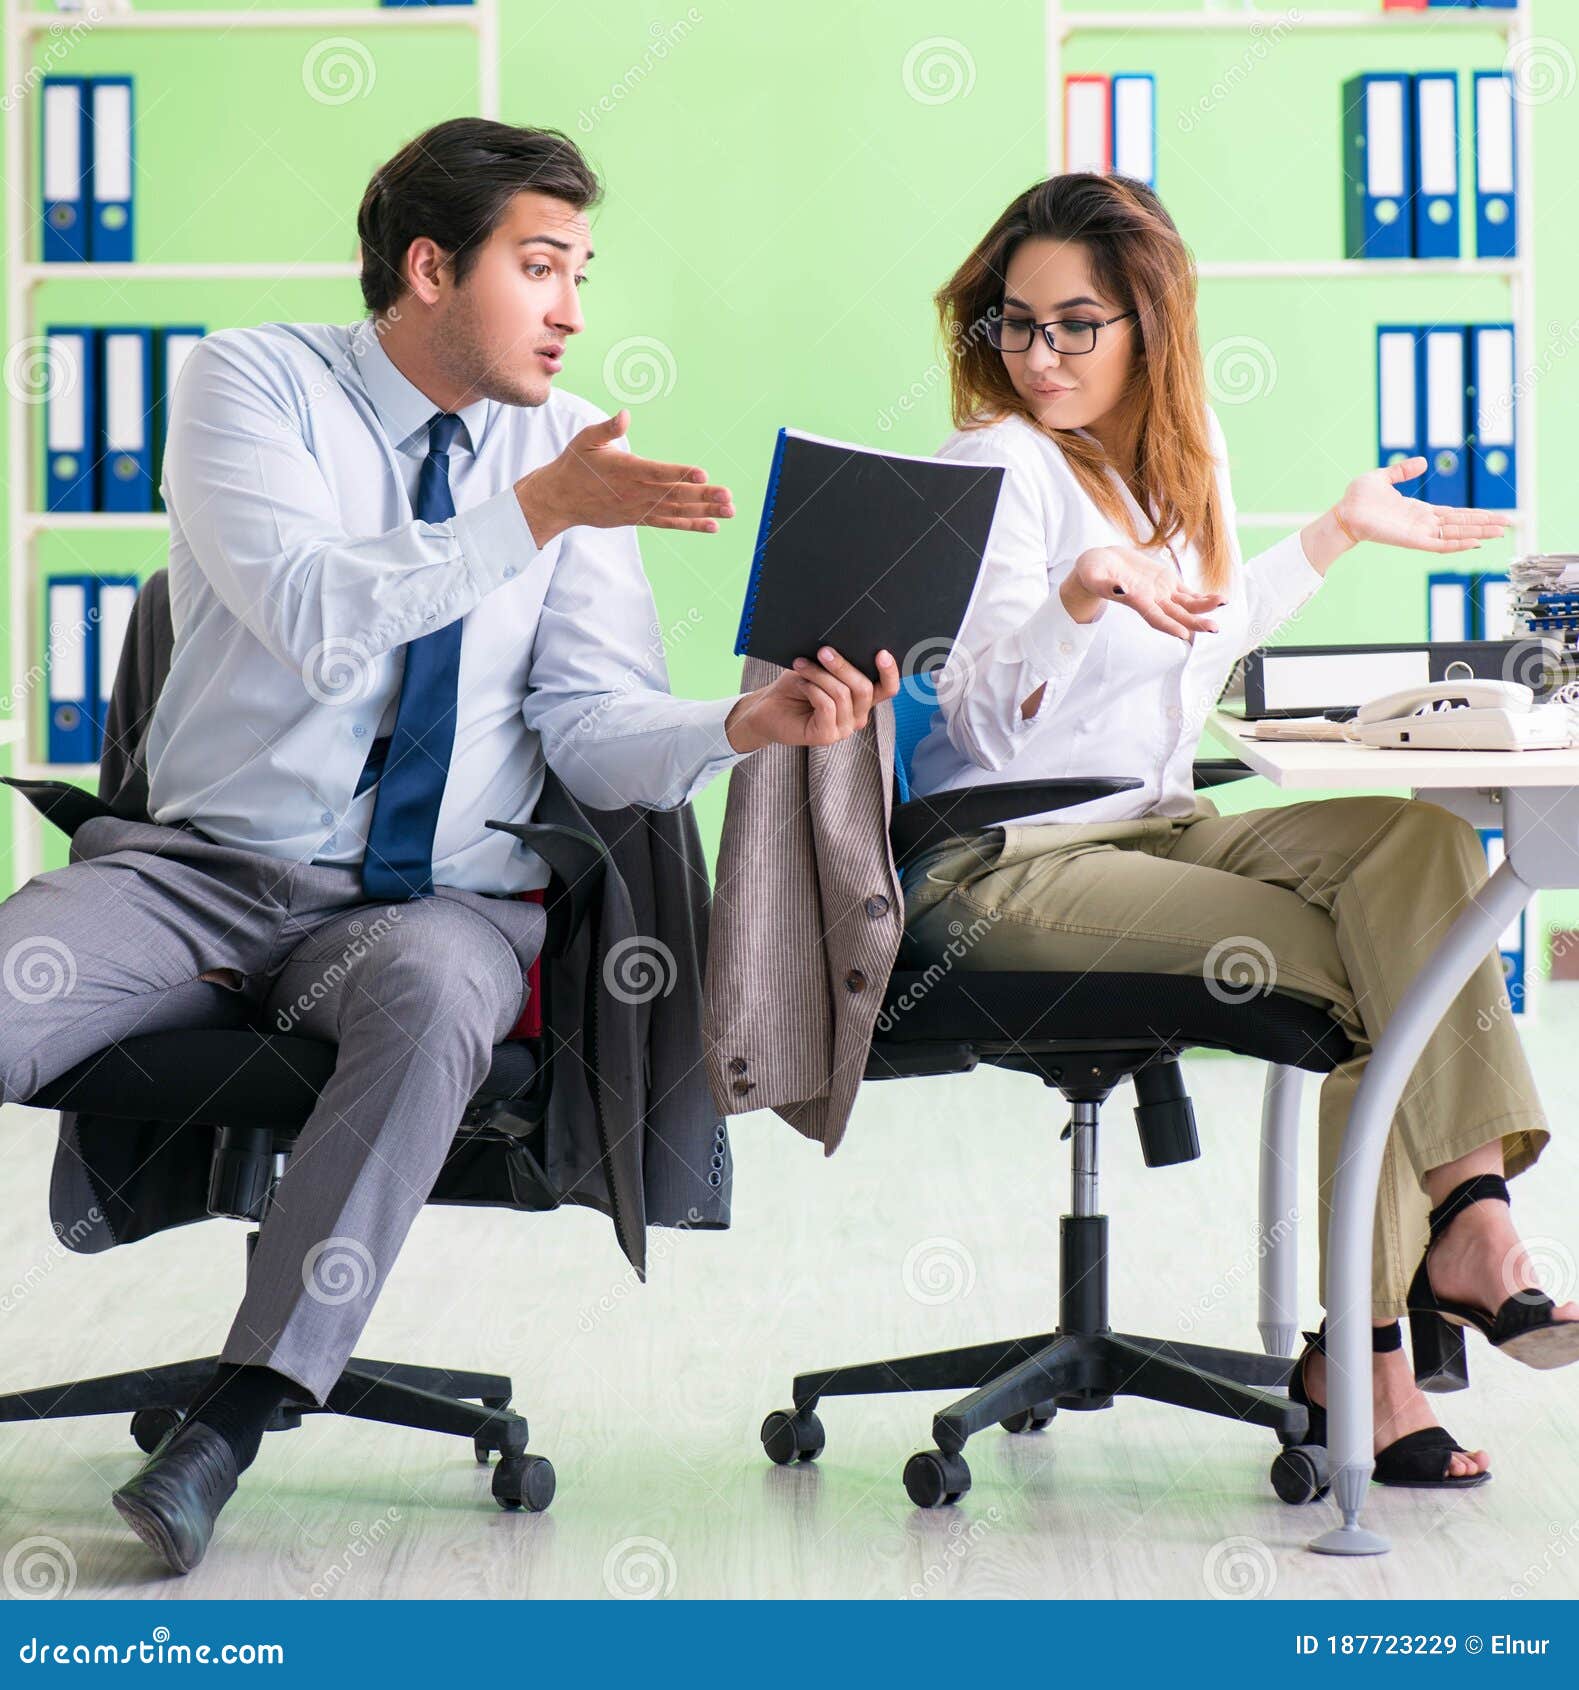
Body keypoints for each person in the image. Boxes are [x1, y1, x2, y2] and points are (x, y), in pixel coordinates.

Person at [0, 117, 895, 1575]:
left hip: (436, 900)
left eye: (580, 271)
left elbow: (587, 723)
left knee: (438, 994)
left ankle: (235, 1412)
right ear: (430, 268)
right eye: (539, 267)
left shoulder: (569, 447)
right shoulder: (251, 384)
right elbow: (317, 608)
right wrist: (538, 507)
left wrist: (744, 724)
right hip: (194, 877)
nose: (571, 308)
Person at [901, 171, 1579, 1490]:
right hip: (1002, 861)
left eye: (1076, 323)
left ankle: (1438, 1255)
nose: (1040, 355)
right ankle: (1394, 1322)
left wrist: (1328, 536)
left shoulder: (1170, 456)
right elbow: (981, 714)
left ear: (1148, 326)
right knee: (1387, 961)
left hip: (1151, 828)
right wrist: (1078, 599)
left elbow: (1198, 636)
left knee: (1421, 850)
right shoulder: (1001, 465)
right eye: (1016, 322)